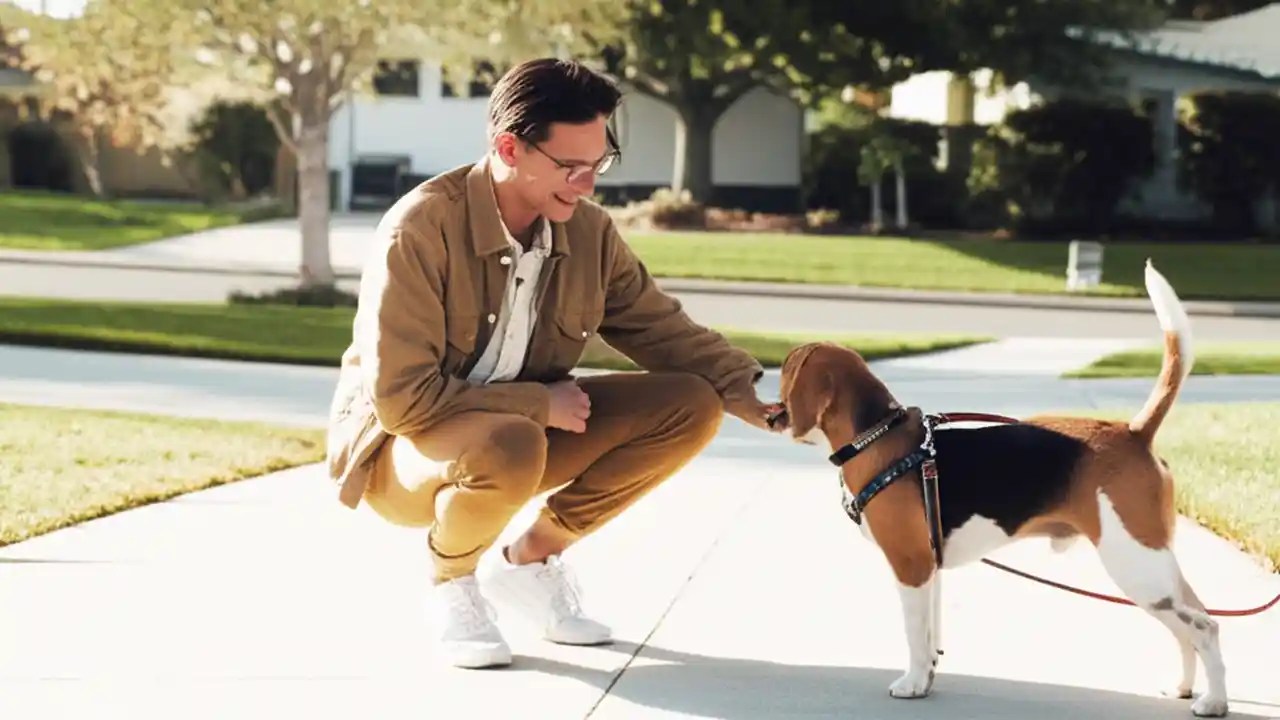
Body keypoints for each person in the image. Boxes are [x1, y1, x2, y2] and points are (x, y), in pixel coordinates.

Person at [325, 57, 777, 669]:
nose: (588, 183)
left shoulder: (587, 232)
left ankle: (530, 561)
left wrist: (758, 393)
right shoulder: (421, 228)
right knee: (511, 440)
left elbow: (663, 329)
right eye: (570, 167)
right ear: (510, 148)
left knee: (692, 404)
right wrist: (539, 404)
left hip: (525, 442)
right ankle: (451, 582)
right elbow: (402, 400)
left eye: (599, 164)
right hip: (402, 457)